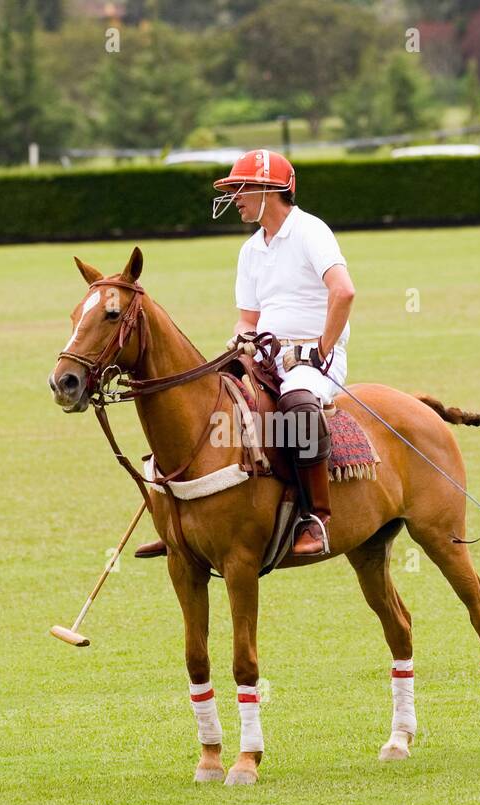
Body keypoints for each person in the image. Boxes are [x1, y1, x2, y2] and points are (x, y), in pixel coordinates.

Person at [135, 148, 356, 559]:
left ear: (269, 190)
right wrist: (244, 339)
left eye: (241, 188)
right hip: (266, 354)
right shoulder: (251, 249)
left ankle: (316, 518)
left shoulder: (310, 231)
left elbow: (343, 291)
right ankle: (181, 521)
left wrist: (320, 351)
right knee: (205, 401)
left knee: (297, 406)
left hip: (313, 358)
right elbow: (246, 318)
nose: (235, 196)